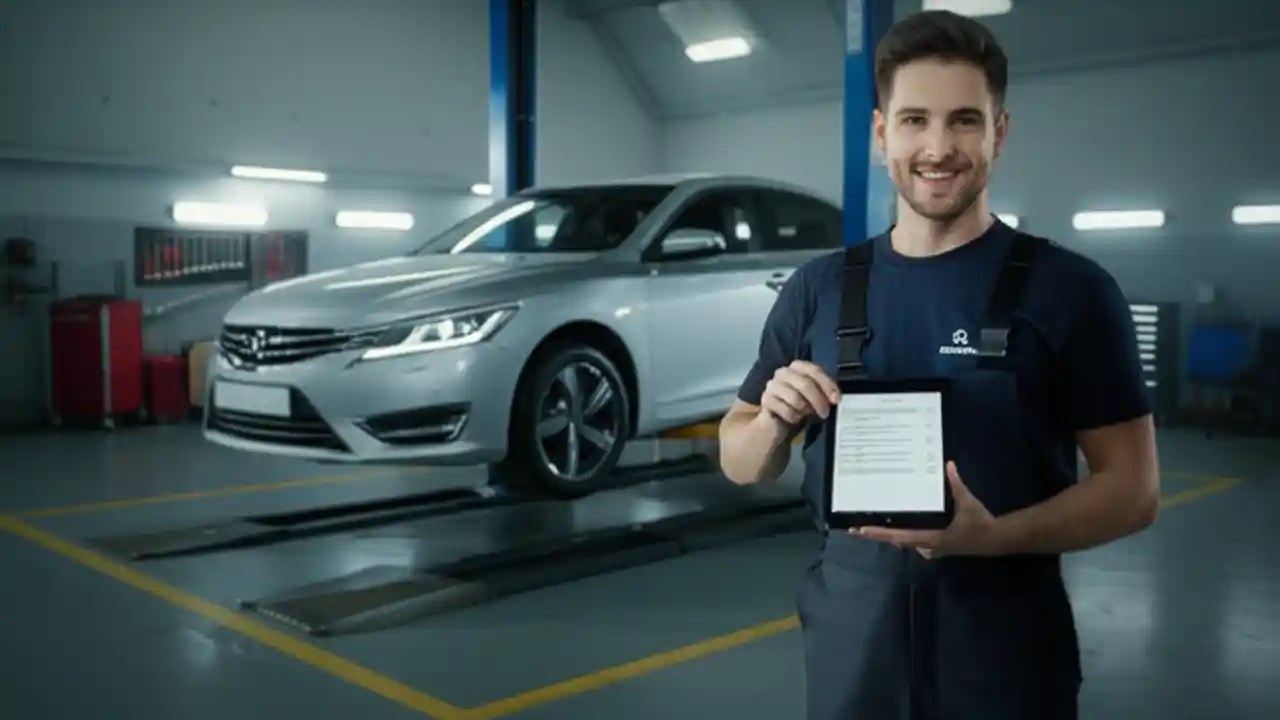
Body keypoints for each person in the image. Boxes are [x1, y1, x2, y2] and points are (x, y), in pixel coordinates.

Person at [718, 9, 1160, 720]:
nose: (937, 146)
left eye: (963, 121)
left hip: (1005, 643)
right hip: (850, 642)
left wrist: (994, 537)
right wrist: (769, 423)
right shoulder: (819, 288)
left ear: (999, 133)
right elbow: (739, 459)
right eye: (915, 120)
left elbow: (1133, 490)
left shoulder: (1072, 290)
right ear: (880, 134)